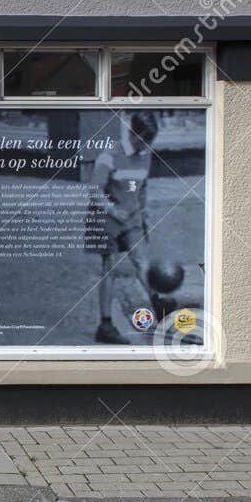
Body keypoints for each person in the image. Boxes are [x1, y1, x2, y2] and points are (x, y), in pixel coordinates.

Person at [91, 111, 159, 343]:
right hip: (106, 219)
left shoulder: (146, 154)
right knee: (109, 268)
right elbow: (94, 192)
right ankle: (106, 325)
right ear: (132, 133)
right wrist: (113, 210)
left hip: (131, 219)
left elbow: (142, 188)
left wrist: (143, 215)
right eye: (143, 140)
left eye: (150, 141)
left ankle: (161, 311)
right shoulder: (108, 156)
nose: (146, 146)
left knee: (142, 262)